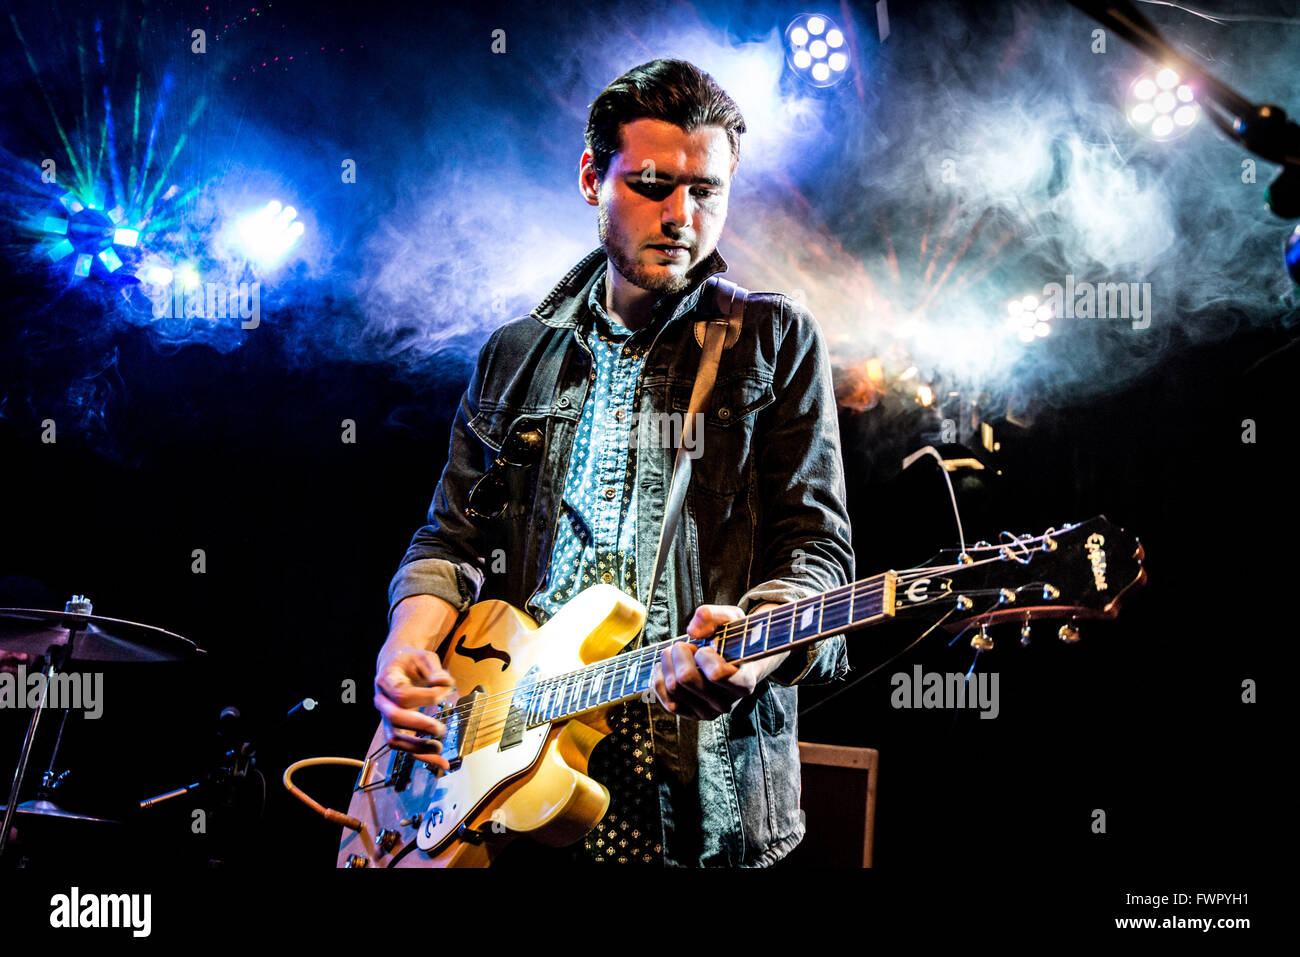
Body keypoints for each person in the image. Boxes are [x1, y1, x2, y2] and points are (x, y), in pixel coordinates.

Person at [372, 58, 854, 867]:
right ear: (593, 175)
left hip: (700, 794)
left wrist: (757, 648)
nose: (682, 216)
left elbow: (819, 555)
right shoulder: (515, 356)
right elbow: (448, 540)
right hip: (510, 772)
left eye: (706, 191)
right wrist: (404, 648)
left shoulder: (773, 339)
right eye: (653, 184)